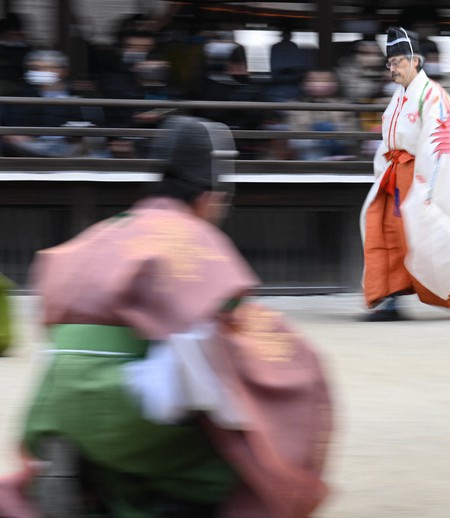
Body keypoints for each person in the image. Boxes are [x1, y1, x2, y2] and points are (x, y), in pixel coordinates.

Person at [0, 116, 332, 517]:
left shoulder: (106, 230)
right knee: (224, 451)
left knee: (149, 393)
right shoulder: (189, 236)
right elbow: (224, 320)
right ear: (210, 196)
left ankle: (86, 471)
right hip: (127, 407)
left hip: (54, 403)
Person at [361, 26, 450, 321]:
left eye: (398, 62)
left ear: (415, 61)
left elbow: (437, 141)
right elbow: (388, 139)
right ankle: (390, 299)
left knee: (431, 234)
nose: (392, 68)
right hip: (396, 172)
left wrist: (426, 184)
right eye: (390, 63)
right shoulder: (399, 96)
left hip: (426, 171)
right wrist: (383, 169)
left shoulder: (434, 96)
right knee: (388, 232)